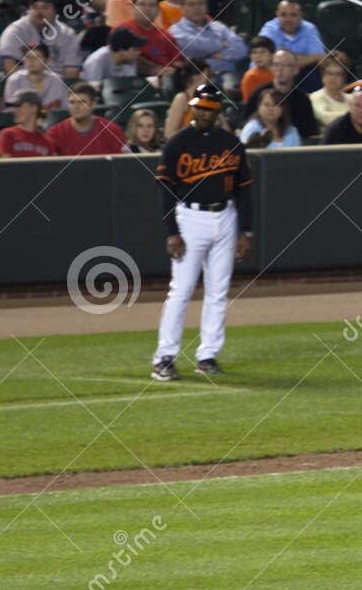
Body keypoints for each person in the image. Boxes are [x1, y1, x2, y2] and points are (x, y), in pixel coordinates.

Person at [152, 82, 253, 381]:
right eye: (200, 107)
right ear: (192, 107)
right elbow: (166, 191)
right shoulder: (177, 143)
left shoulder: (231, 143)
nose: (204, 112)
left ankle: (207, 355)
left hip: (225, 215)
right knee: (181, 290)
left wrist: (246, 231)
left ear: (218, 109)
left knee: (218, 292)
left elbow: (244, 191)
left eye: (209, 108)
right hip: (190, 217)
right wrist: (172, 231)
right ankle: (164, 357)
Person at [1, 0, 83, 78]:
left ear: (55, 11)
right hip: (23, 85)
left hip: (57, 85)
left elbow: (72, 71)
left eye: (45, 7)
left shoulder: (67, 34)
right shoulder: (15, 31)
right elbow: (9, 66)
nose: (39, 12)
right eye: (35, 7)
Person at [170, 0, 248, 76]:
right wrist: (222, 44)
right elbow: (195, 47)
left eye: (201, 3)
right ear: (182, 8)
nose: (197, 8)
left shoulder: (219, 27)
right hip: (198, 78)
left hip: (229, 75)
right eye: (191, 4)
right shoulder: (176, 31)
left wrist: (219, 55)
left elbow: (242, 49)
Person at [45, 82, 128, 153]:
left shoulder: (112, 130)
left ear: (93, 104)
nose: (76, 107)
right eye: (72, 102)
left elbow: (121, 165)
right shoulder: (55, 133)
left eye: (82, 102)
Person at [117, 0, 184, 74]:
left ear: (158, 10)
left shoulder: (167, 36)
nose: (147, 9)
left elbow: (178, 63)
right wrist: (157, 70)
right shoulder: (122, 31)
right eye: (142, 4)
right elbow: (121, 59)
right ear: (133, 7)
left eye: (152, 5)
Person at [2, 44, 71, 110]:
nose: (31, 61)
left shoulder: (56, 80)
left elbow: (63, 108)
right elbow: (11, 109)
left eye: (37, 57)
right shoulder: (14, 80)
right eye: (28, 57)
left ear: (46, 60)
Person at [257, 0, 325, 65]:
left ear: (301, 15)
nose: (288, 19)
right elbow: (261, 59)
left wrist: (277, 60)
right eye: (283, 15)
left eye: (293, 15)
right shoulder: (269, 29)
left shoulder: (310, 29)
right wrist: (306, 58)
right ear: (277, 15)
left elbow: (319, 57)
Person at [0, 90, 56, 156]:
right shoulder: (8, 134)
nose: (15, 111)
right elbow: (4, 164)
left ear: (34, 108)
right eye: (15, 107)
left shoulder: (47, 142)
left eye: (19, 106)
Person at [81, 26, 146, 83]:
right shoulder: (96, 60)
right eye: (135, 49)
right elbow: (92, 89)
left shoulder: (130, 60)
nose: (139, 53)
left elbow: (129, 85)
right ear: (121, 50)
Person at [308, 52, 350, 128]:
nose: (333, 78)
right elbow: (325, 118)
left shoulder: (352, 98)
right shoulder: (315, 97)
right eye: (329, 73)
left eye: (338, 74)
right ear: (323, 76)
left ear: (344, 77)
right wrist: (355, 115)